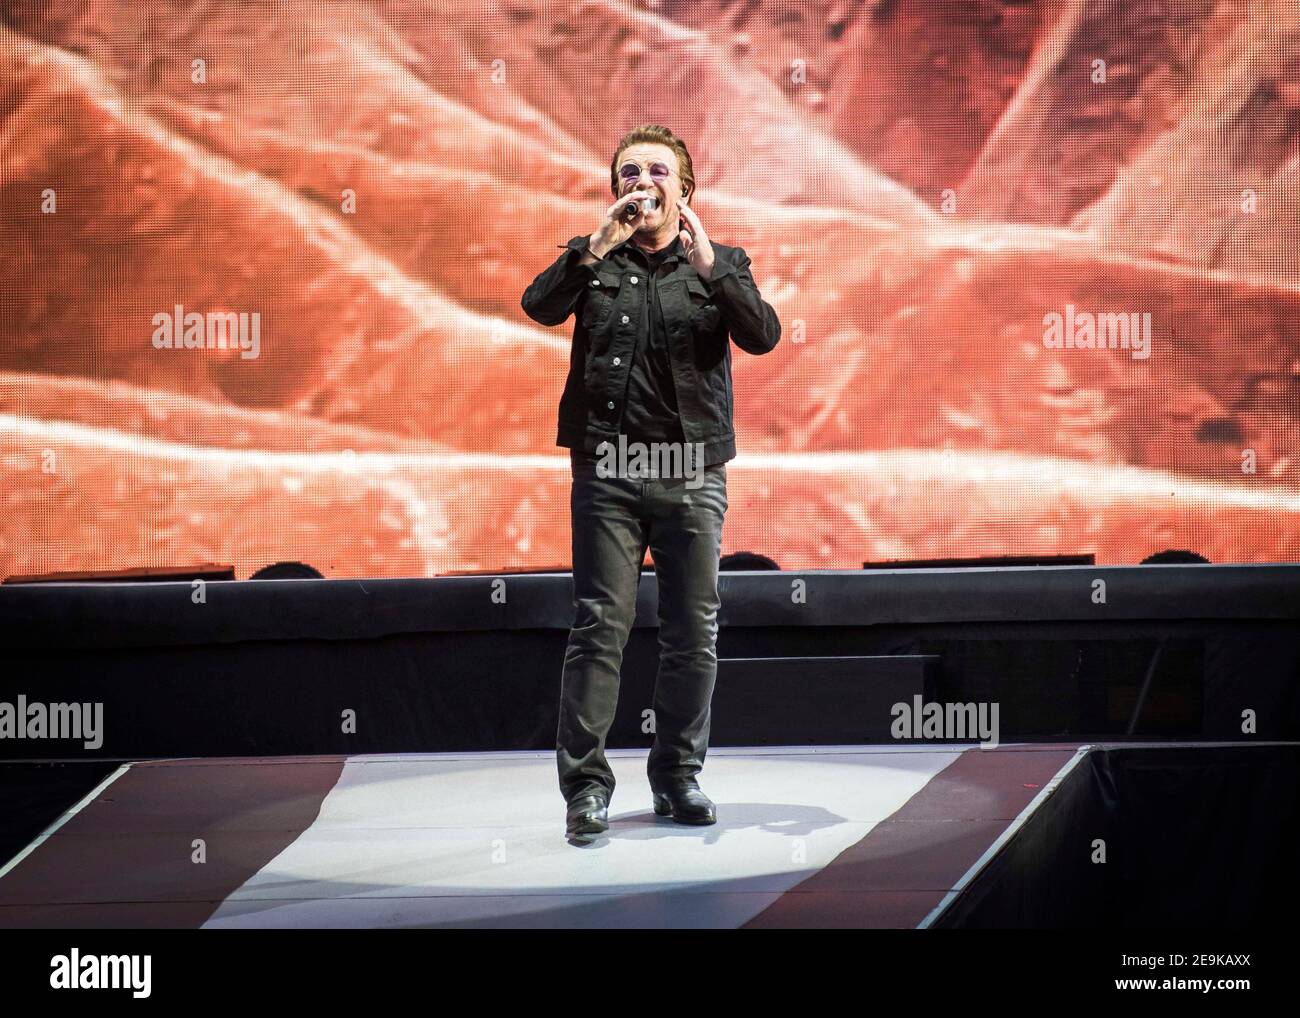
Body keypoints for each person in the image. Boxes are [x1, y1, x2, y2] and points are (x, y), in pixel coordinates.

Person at [520, 125, 781, 842]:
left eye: (657, 170)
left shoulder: (719, 264)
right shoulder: (595, 262)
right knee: (601, 625)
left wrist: (710, 264)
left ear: (684, 189)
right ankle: (586, 790)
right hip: (609, 469)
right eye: (629, 171)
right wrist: (593, 244)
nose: (643, 180)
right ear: (616, 190)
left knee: (692, 631)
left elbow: (763, 336)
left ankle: (677, 777)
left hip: (691, 472)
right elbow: (537, 306)